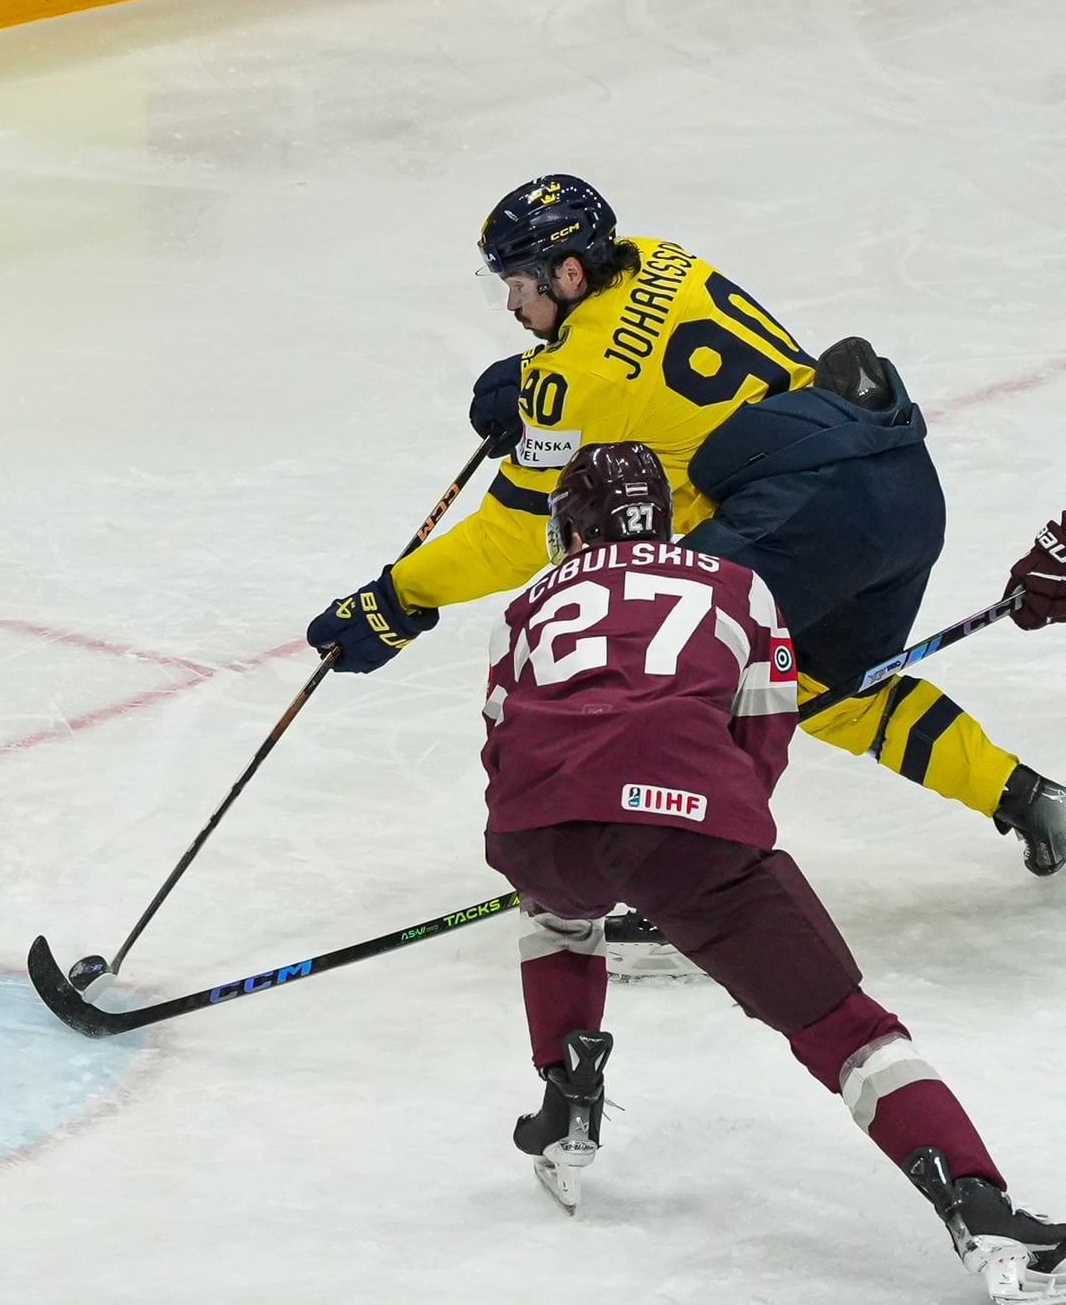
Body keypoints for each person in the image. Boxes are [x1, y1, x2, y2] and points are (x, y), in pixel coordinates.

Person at [308, 173, 1065, 878]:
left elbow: (516, 536)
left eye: (517, 285)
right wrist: (539, 383)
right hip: (897, 485)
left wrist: (401, 596)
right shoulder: (657, 259)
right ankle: (1032, 799)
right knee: (830, 691)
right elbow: (648, 380)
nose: (511, 307)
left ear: (570, 274)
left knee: (659, 669)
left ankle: (683, 883)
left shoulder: (578, 382)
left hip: (804, 514)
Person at [482, 442, 1065, 1303]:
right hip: (690, 839)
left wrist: (561, 832)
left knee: (555, 908)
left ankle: (567, 1097)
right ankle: (981, 1210)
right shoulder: (733, 585)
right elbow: (765, 732)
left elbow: (503, 741)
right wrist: (709, 831)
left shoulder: (527, 603)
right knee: (849, 1030)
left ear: (569, 525)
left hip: (536, 829)